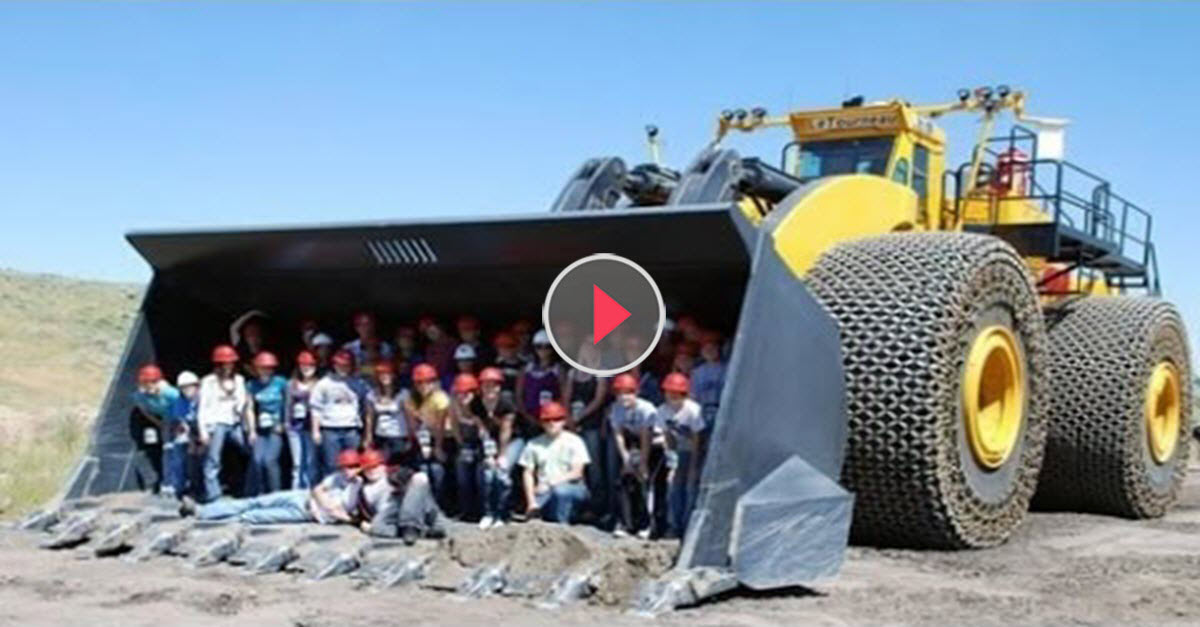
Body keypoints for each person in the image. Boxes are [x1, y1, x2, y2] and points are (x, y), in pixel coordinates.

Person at [181, 449, 365, 525]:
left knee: (251, 517)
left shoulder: (359, 488)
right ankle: (202, 510)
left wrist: (332, 509)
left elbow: (346, 516)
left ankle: (209, 522)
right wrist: (326, 503)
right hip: (302, 497)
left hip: (308, 514)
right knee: (253, 502)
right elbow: (317, 489)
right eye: (345, 466)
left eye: (353, 467)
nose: (348, 470)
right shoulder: (337, 477)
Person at [606, 373, 661, 538]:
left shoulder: (646, 409)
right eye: (620, 393)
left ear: (635, 392)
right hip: (632, 444)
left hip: (653, 444)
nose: (624, 397)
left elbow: (647, 436)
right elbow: (618, 434)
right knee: (624, 482)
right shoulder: (616, 408)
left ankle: (647, 524)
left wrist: (643, 462)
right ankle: (626, 523)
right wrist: (626, 460)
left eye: (628, 392)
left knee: (645, 482)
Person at [197, 345, 253, 502]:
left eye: (230, 363)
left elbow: (242, 403)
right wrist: (203, 431)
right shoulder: (209, 382)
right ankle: (213, 495)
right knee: (213, 459)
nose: (228, 366)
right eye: (224, 363)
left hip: (234, 422)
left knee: (249, 450)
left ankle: (249, 487)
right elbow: (202, 407)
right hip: (216, 422)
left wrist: (244, 406)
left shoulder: (239, 380)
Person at [518, 402, 590, 524]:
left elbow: (577, 472)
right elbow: (527, 473)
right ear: (541, 423)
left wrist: (551, 483)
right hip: (545, 492)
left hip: (572, 488)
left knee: (561, 491)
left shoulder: (575, 441)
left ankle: (563, 525)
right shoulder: (533, 444)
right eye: (547, 420)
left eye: (557, 419)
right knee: (534, 515)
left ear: (564, 421)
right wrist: (531, 502)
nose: (552, 423)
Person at [562, 345, 611, 524]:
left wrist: (580, 417)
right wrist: (569, 419)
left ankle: (597, 507)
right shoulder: (573, 372)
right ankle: (576, 507)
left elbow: (599, 399)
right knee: (573, 465)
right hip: (573, 425)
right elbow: (566, 397)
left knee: (594, 467)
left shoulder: (601, 372)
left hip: (592, 424)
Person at [472, 367, 523, 529]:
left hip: (512, 440)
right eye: (486, 385)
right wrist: (488, 454)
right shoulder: (476, 403)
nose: (490, 389)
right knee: (487, 473)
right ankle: (488, 513)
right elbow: (482, 429)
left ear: (499, 387)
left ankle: (503, 513)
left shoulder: (506, 402)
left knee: (502, 473)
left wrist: (501, 455)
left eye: (493, 385)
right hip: (490, 441)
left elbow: (506, 430)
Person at [359, 452, 445, 544]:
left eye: (375, 466)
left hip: (411, 506)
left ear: (383, 466)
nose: (372, 471)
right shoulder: (362, 488)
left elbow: (418, 478)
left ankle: (412, 527)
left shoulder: (393, 475)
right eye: (367, 468)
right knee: (376, 527)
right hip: (391, 514)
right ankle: (423, 532)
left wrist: (402, 487)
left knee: (420, 482)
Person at [656, 373, 704, 538]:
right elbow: (667, 436)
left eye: (676, 393)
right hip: (679, 451)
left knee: (691, 488)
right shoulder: (662, 411)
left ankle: (688, 526)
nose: (672, 397)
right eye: (669, 393)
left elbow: (698, 439)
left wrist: (693, 467)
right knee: (674, 487)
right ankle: (674, 525)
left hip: (697, 451)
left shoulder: (693, 410)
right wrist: (672, 462)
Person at [309, 349, 368, 480]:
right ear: (334, 365)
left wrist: (365, 433)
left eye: (346, 365)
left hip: (351, 428)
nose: (343, 368)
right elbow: (316, 408)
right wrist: (315, 431)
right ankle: (332, 492)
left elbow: (366, 406)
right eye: (339, 365)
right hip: (330, 428)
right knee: (331, 464)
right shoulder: (323, 383)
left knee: (353, 463)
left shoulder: (359, 383)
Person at [404, 363, 451, 502]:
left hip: (442, 437)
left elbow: (440, 426)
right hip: (422, 437)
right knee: (422, 470)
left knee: (437, 471)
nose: (424, 386)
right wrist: (419, 443)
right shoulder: (411, 399)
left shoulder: (441, 398)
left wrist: (438, 447)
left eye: (429, 382)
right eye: (420, 383)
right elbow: (412, 425)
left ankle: (439, 503)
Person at [131, 364, 181, 495]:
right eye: (145, 383)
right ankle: (168, 482)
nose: (149, 386)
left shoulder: (170, 393)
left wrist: (179, 424)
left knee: (180, 449)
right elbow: (144, 411)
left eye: (152, 382)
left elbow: (182, 406)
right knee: (168, 449)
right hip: (165, 421)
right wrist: (159, 423)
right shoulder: (140, 396)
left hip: (180, 419)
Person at [246, 351, 288, 495]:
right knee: (257, 460)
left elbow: (288, 404)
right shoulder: (252, 385)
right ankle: (259, 494)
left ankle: (275, 493)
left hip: (276, 427)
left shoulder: (280, 383)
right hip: (260, 428)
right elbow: (249, 408)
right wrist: (251, 430)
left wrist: (284, 423)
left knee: (270, 461)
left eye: (269, 368)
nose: (265, 371)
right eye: (262, 368)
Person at [515, 329, 562, 439]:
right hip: (528, 420)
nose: (543, 350)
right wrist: (527, 416)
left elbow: (564, 396)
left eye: (547, 346)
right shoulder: (526, 369)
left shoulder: (558, 370)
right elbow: (519, 396)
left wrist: (553, 417)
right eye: (539, 346)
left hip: (551, 420)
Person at [449, 373, 483, 520]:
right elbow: (455, 427)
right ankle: (466, 510)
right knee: (462, 469)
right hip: (466, 443)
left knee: (481, 474)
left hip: (483, 444)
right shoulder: (454, 406)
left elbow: (484, 431)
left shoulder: (480, 406)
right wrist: (462, 445)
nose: (463, 396)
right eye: (460, 393)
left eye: (467, 393)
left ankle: (483, 510)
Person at [285, 350, 320, 490]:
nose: (307, 369)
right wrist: (286, 423)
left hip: (310, 426)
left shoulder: (319, 384)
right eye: (304, 365)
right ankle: (296, 491)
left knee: (311, 462)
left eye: (310, 365)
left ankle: (311, 491)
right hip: (294, 426)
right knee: (297, 463)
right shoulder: (291, 384)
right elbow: (287, 405)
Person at [691, 331, 728, 460]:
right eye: (706, 348)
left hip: (721, 410)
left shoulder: (727, 369)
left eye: (713, 348)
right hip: (703, 411)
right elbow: (694, 396)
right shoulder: (697, 372)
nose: (709, 351)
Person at [366, 362, 414, 462]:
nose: (385, 377)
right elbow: (370, 418)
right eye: (381, 375)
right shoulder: (372, 395)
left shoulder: (403, 394)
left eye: (388, 374)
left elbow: (409, 417)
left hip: (399, 435)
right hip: (381, 435)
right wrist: (368, 437)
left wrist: (411, 437)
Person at [171, 371, 203, 499]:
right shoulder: (180, 401)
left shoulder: (204, 398)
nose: (187, 390)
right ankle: (180, 488)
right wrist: (189, 439)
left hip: (207, 431)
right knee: (179, 451)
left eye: (190, 386)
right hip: (191, 433)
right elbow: (181, 422)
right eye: (183, 387)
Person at [491, 332, 526, 406]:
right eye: (501, 347)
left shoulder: (524, 365)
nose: (505, 350)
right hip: (498, 403)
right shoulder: (495, 365)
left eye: (509, 346)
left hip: (517, 402)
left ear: (517, 347)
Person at [393, 325, 423, 390]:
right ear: (397, 339)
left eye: (410, 337)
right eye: (403, 336)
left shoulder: (419, 359)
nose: (407, 339)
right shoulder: (393, 358)